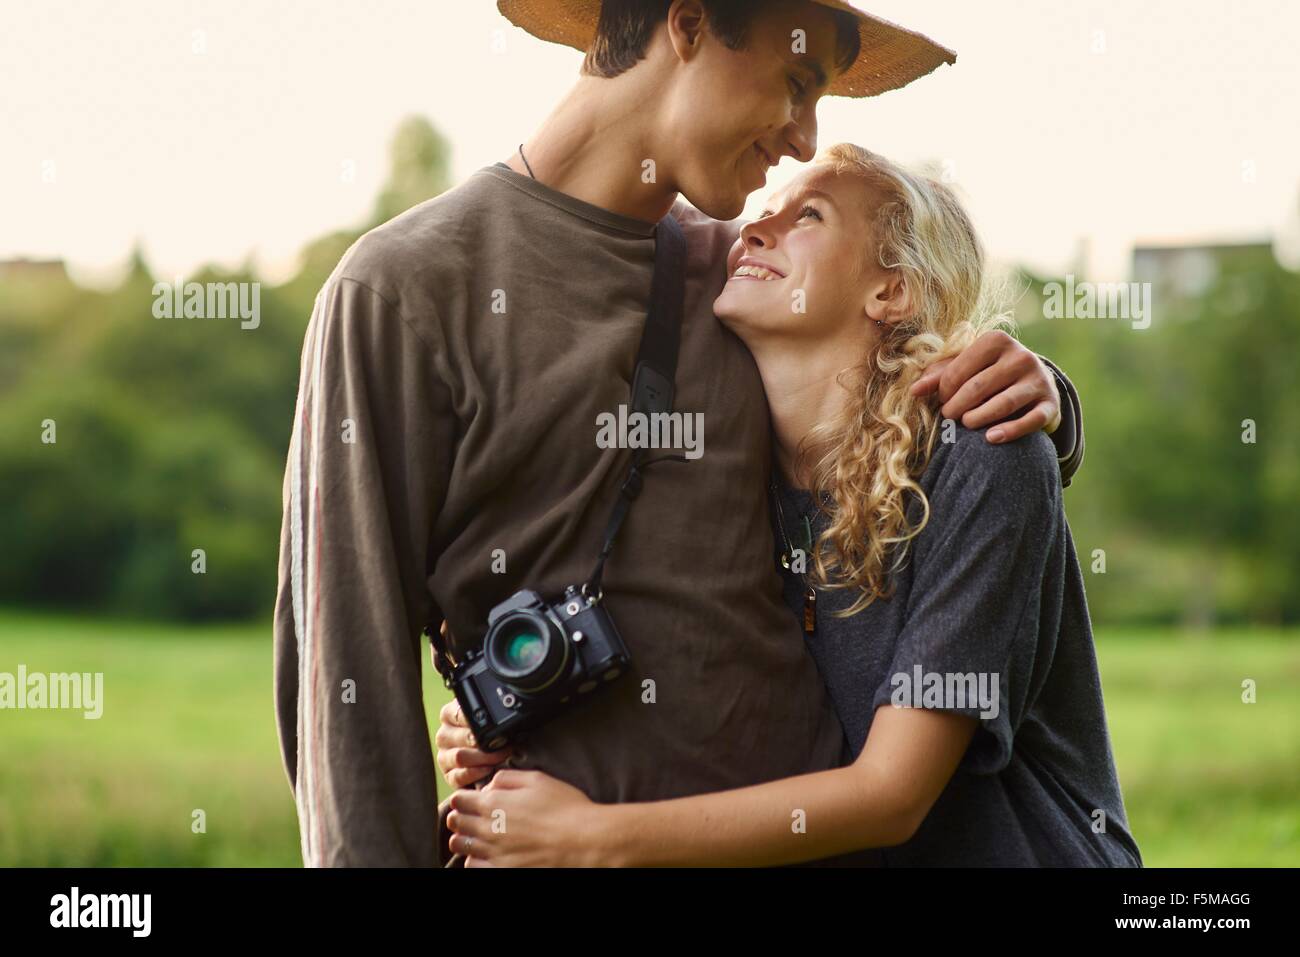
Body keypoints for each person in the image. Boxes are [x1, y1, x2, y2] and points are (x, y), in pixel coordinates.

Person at [273, 0, 1085, 867]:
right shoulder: (401, 293)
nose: (807, 140)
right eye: (799, 82)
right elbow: (344, 679)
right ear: (689, 23)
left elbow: (899, 388)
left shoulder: (745, 282)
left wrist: (1048, 404)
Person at [441, 144, 1141, 867]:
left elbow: (891, 794)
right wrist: (517, 708)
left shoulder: (983, 455)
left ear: (891, 290)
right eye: (761, 211)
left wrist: (589, 839)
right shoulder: (726, 472)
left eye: (807, 214)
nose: (755, 229)